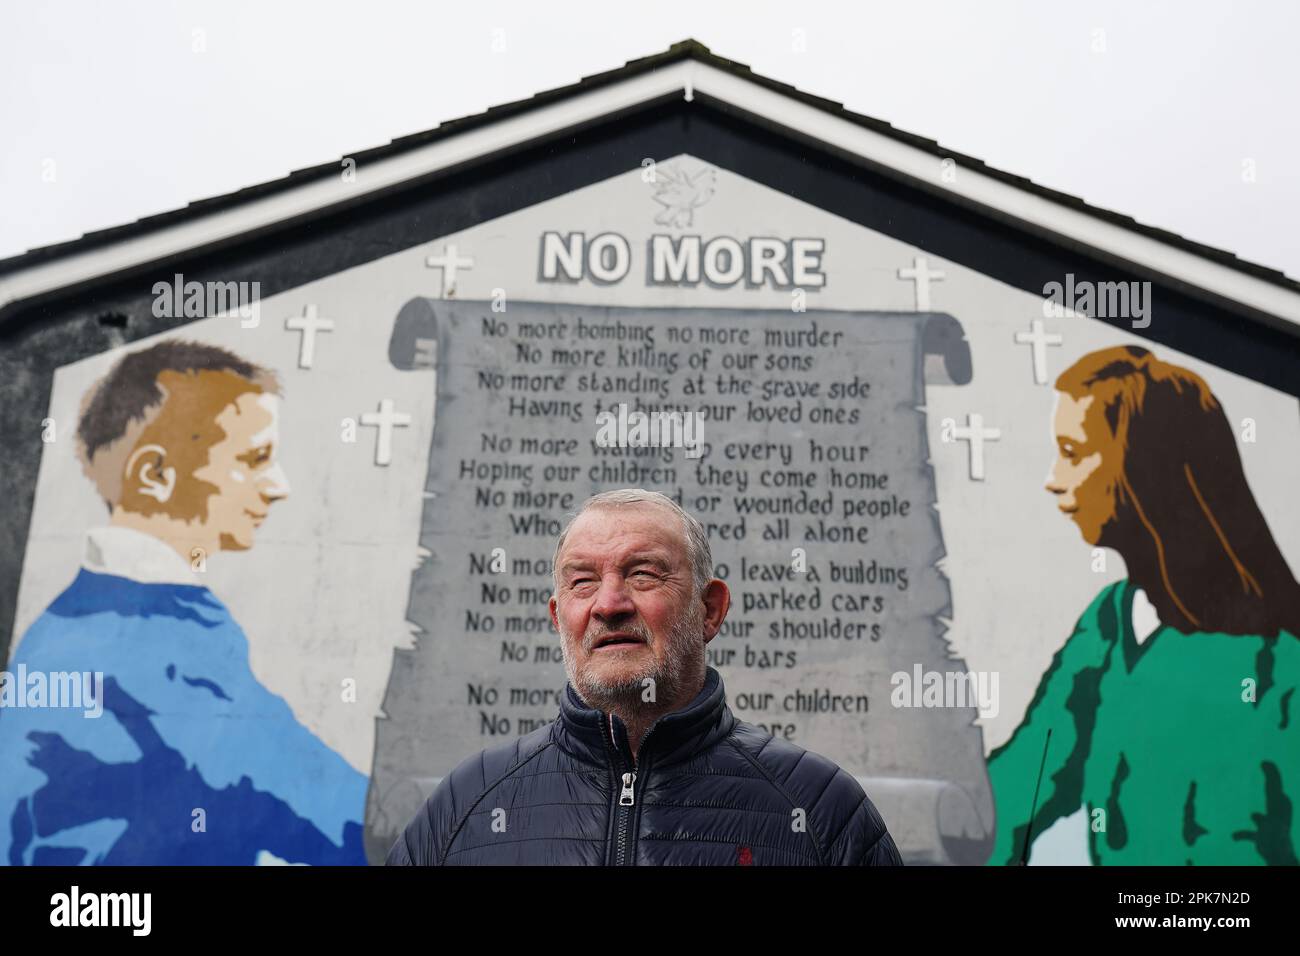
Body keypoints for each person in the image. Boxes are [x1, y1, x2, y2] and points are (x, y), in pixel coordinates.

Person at [387, 488, 902, 866]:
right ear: (558, 616)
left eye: (643, 574)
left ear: (709, 610)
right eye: (582, 581)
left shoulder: (819, 808)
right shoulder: (465, 807)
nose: (609, 604)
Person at [0, 340, 367, 865]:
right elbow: (316, 801)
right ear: (155, 476)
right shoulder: (166, 641)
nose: (278, 486)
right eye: (256, 459)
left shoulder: (69, 621)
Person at [987, 346, 1300, 865]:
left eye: (1072, 451)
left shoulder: (1278, 662)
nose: (1053, 478)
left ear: (1141, 466)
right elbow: (1026, 780)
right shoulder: (1109, 622)